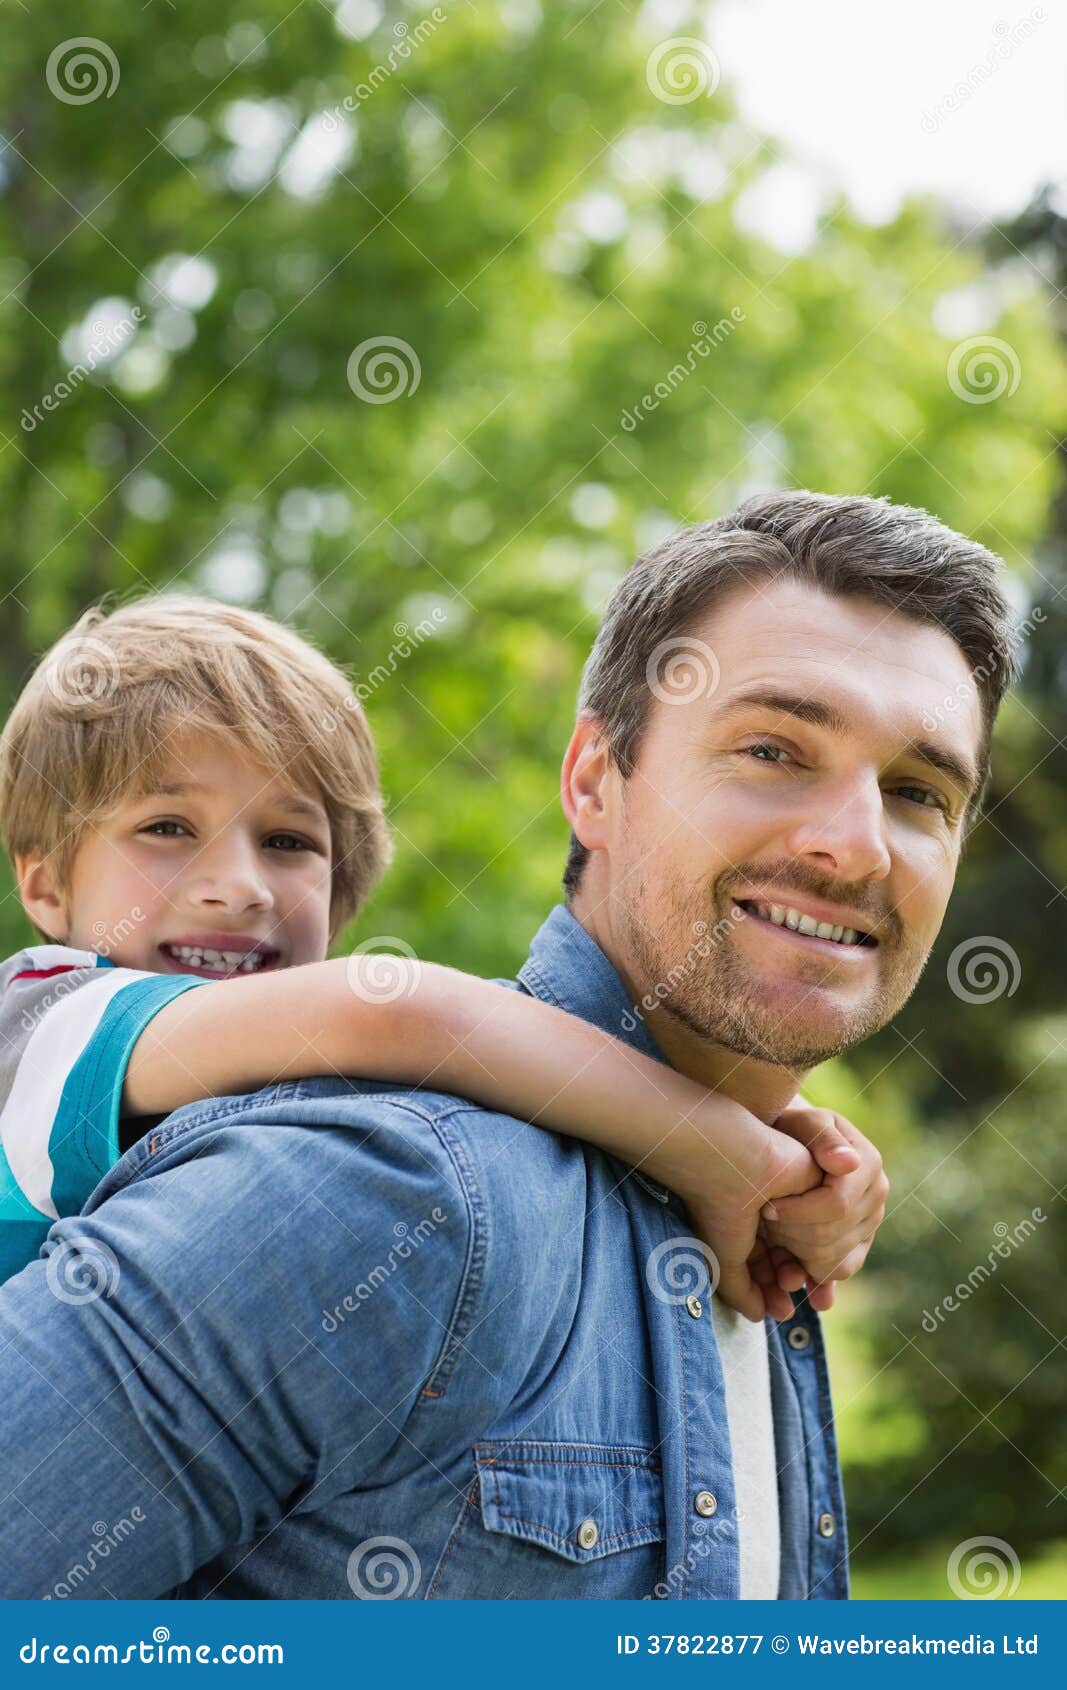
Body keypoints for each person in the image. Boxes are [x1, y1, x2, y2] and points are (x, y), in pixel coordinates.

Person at [0, 490, 1012, 1599]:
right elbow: (402, 1010)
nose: (854, 846)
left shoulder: (743, 1230)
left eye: (917, 792)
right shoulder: (388, 1191)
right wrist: (719, 1145)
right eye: (772, 748)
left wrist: (747, 1153)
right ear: (591, 779)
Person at [0, 594, 876, 1315]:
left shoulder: (312, 1092)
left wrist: (772, 1122)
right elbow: (403, 1012)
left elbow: (492, 1045)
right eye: (165, 828)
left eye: (287, 842)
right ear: (43, 887)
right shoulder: (41, 1018)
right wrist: (723, 1150)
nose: (240, 887)